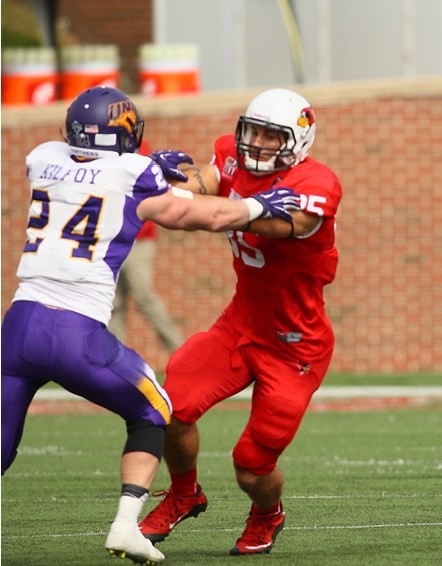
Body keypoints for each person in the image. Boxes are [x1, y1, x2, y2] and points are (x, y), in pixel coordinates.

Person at [0, 86, 302, 564]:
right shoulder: (134, 171)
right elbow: (193, 214)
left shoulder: (41, 158)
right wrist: (258, 207)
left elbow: (85, 162)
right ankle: (126, 525)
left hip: (16, 328)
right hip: (76, 333)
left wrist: (143, 166)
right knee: (155, 412)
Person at [137, 88, 342, 556]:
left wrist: (169, 199)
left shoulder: (318, 183)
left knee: (251, 465)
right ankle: (185, 493)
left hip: (296, 345)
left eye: (272, 137)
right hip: (240, 324)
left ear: (299, 140)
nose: (258, 145)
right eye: (253, 132)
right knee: (171, 407)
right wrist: (156, 177)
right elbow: (204, 183)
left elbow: (247, 218)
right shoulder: (233, 157)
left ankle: (268, 512)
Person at [109, 220, 184, 353]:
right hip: (111, 242)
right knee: (114, 302)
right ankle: (114, 356)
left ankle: (179, 350)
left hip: (139, 240)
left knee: (144, 297)